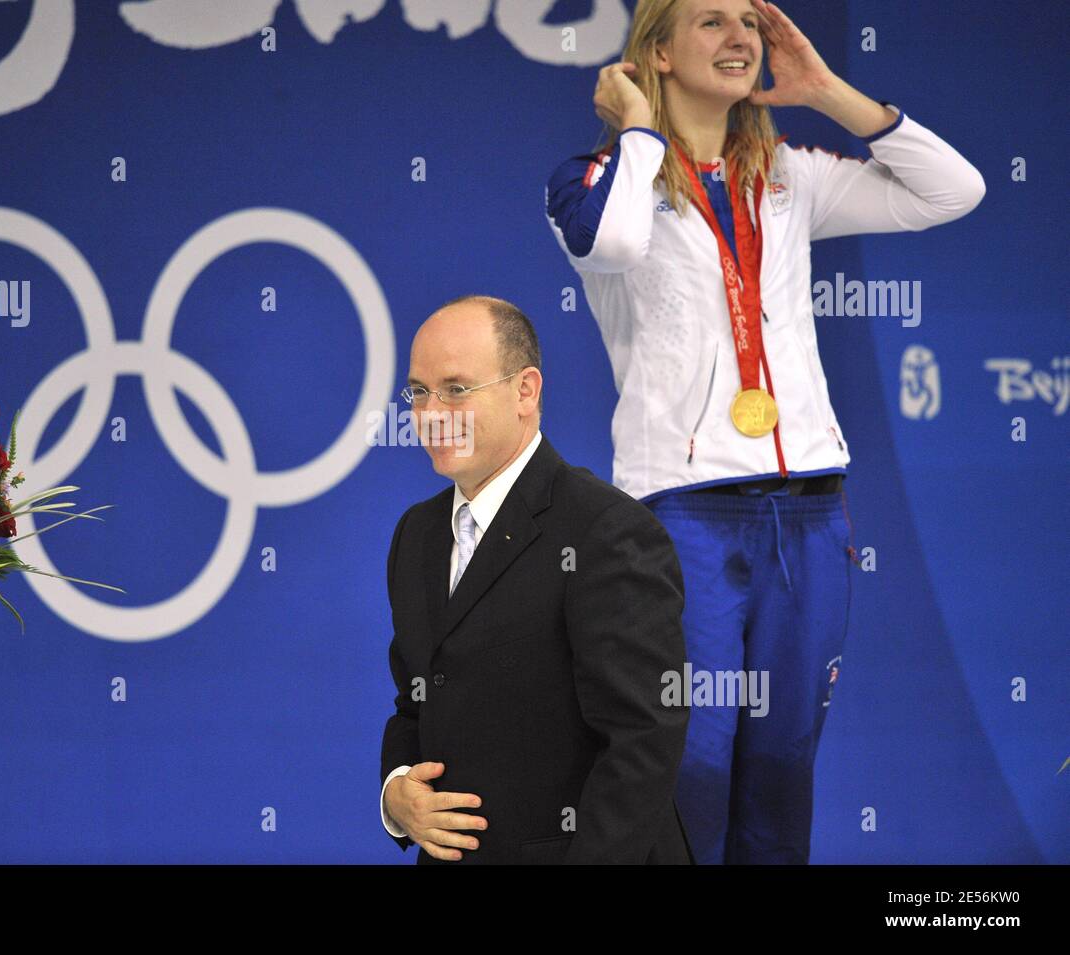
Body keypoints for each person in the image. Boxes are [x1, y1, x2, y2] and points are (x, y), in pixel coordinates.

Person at [544, 0, 984, 863]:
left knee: (782, 774)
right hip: (682, 519)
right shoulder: (592, 180)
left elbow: (954, 190)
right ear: (657, 52)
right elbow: (614, 239)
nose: (740, 36)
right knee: (691, 766)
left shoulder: (789, 177)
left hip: (811, 516)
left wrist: (824, 93)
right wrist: (639, 132)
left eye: (749, 20)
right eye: (711, 22)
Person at [378, 295, 692, 864]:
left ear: (526, 391)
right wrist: (398, 790)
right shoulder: (417, 535)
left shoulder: (608, 531)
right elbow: (417, 702)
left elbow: (643, 742)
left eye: (456, 388)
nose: (430, 413)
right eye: (419, 392)